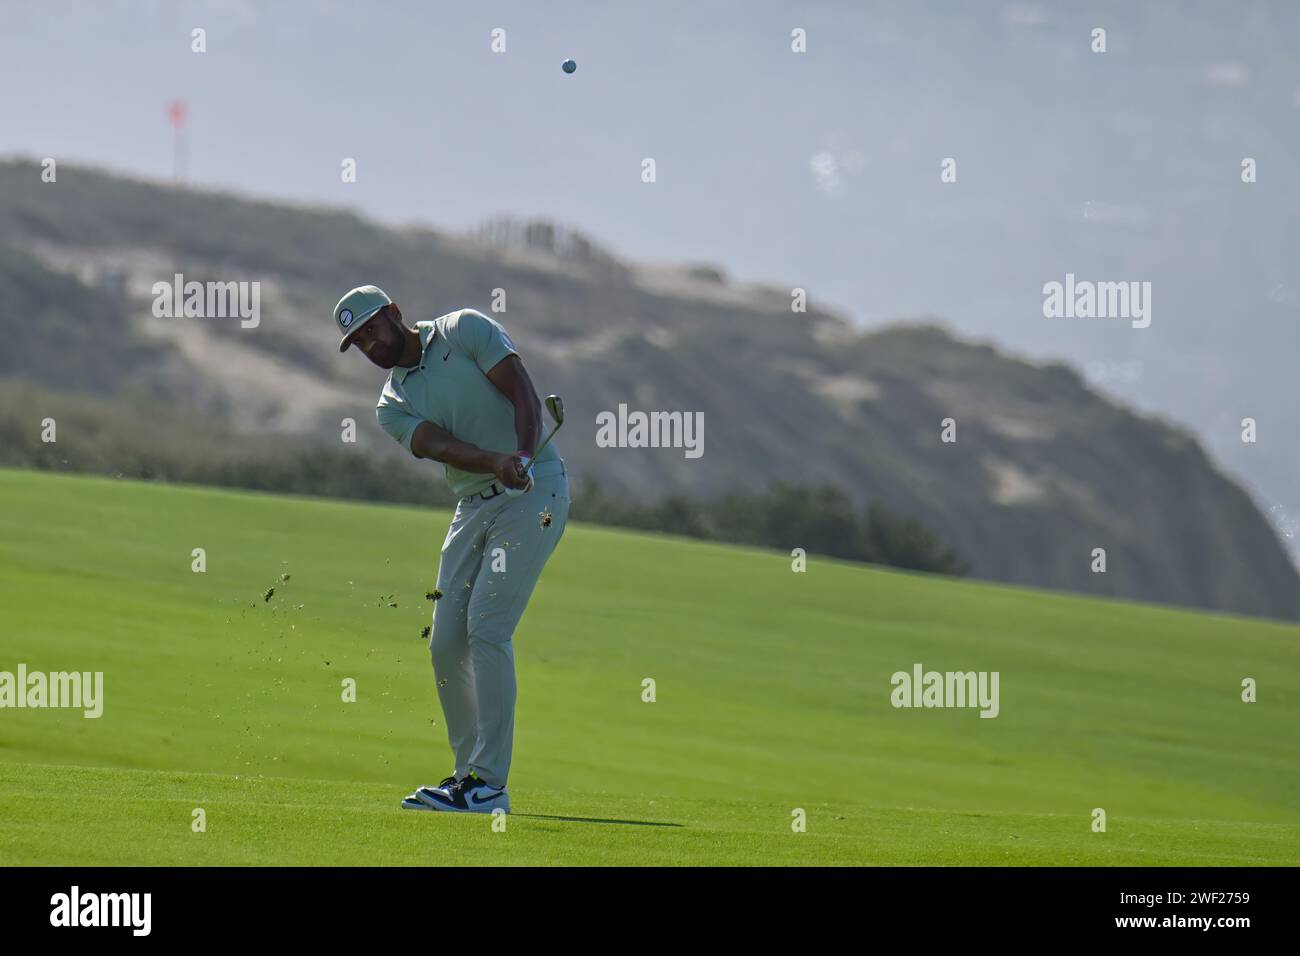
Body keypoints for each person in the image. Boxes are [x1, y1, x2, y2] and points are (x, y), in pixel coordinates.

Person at [333, 284, 569, 813]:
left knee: (487, 628)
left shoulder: (464, 330)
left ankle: (489, 785)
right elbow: (439, 446)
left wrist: (525, 454)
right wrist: (495, 463)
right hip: (474, 503)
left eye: (372, 329)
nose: (369, 345)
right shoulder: (391, 405)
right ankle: (466, 779)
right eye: (357, 341)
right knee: (444, 644)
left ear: (395, 313)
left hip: (536, 492)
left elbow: (522, 392)